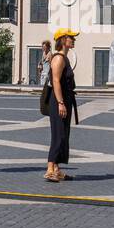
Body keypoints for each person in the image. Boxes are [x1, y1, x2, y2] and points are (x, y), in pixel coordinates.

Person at [45, 28, 79, 183]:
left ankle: (56, 169)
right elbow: (56, 81)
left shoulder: (65, 58)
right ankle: (49, 169)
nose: (73, 39)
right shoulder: (58, 58)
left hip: (65, 99)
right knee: (58, 135)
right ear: (63, 39)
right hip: (59, 101)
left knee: (63, 134)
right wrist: (60, 103)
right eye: (71, 37)